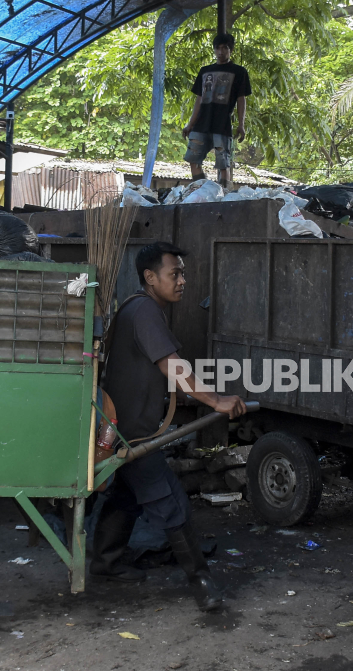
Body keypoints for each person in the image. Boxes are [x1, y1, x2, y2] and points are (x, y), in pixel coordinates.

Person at [90, 241, 248, 610]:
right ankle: (203, 584)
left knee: (127, 497)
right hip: (133, 433)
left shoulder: (136, 307)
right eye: (174, 274)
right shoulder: (144, 310)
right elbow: (172, 366)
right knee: (171, 502)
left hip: (123, 429)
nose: (182, 281)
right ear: (150, 277)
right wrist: (216, 400)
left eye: (183, 274)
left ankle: (106, 563)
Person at [183, 33, 250, 188]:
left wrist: (241, 125)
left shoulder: (239, 72)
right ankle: (202, 190)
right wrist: (190, 124)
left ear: (231, 50)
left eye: (225, 48)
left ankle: (224, 194)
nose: (221, 52)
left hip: (222, 125)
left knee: (223, 164)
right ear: (214, 50)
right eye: (218, 48)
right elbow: (199, 99)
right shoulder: (205, 71)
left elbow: (241, 99)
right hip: (201, 123)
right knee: (193, 159)